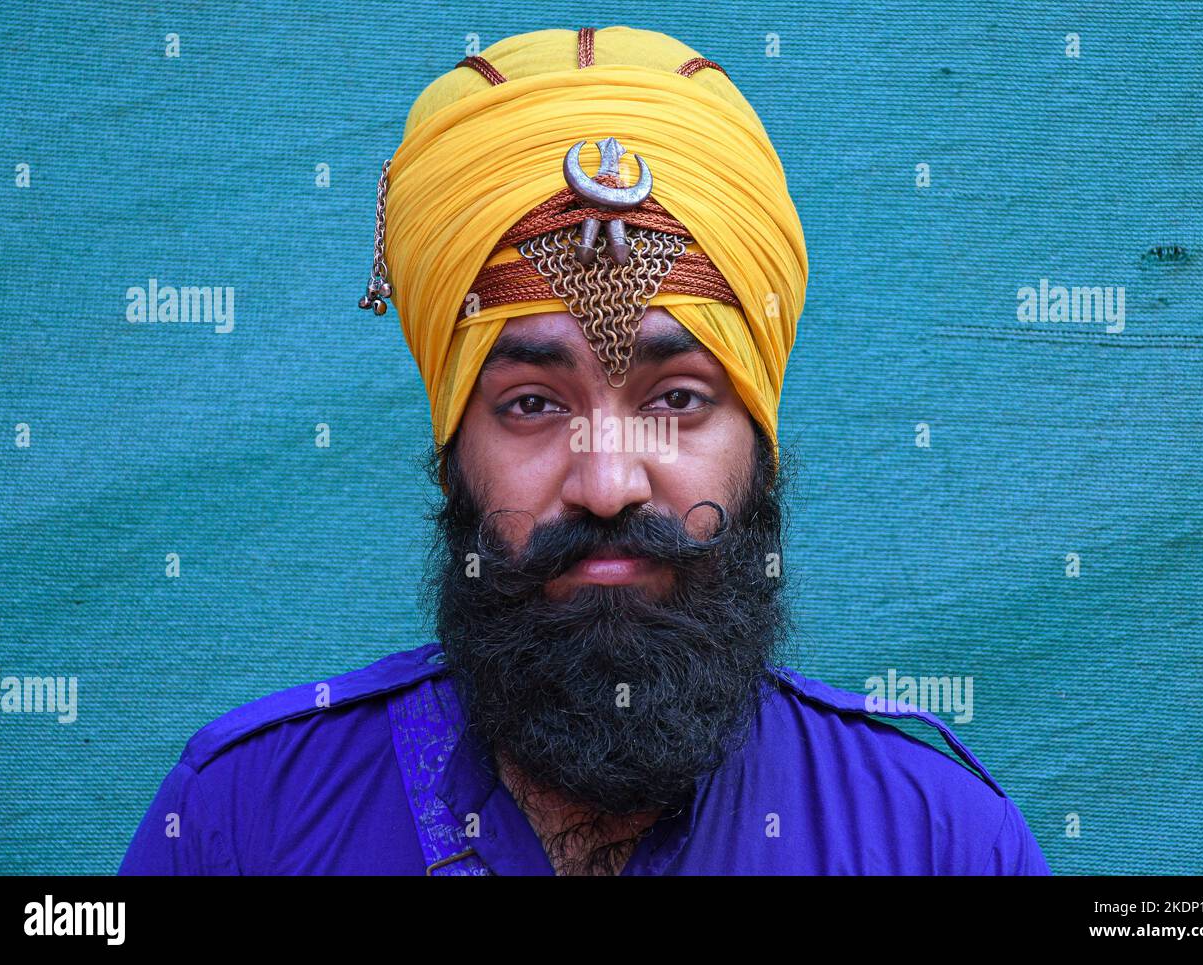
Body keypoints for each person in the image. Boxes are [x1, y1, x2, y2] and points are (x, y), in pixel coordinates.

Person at [119, 25, 1050, 876]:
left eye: (677, 400)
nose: (608, 483)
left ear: (761, 441)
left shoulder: (938, 841)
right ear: (452, 453)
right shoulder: (241, 825)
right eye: (531, 403)